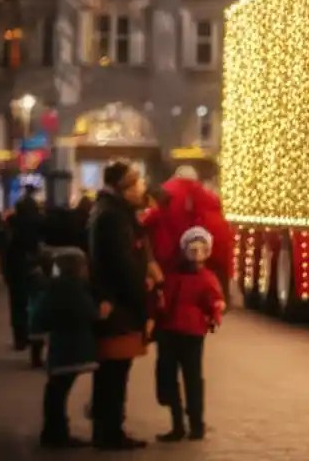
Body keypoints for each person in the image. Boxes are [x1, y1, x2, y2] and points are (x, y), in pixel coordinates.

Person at [88, 161, 150, 450]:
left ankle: (107, 426)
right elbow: (122, 265)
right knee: (114, 370)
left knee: (112, 370)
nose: (142, 188)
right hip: (119, 305)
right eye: (137, 184)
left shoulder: (111, 211)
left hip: (114, 302)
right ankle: (109, 430)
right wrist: (143, 295)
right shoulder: (114, 217)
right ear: (124, 188)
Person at [155, 226, 224, 442]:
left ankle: (194, 423)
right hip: (171, 331)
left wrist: (215, 313)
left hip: (190, 332)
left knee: (191, 379)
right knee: (171, 378)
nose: (196, 255)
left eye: (200, 250)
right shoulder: (174, 275)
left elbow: (214, 300)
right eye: (192, 250)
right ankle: (181, 423)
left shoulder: (206, 278)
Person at [32, 247, 101, 449]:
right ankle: (57, 433)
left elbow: (40, 318)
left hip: (59, 349)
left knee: (55, 390)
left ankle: (53, 430)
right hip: (73, 350)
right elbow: (89, 314)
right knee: (59, 391)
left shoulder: (52, 289)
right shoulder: (77, 290)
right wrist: (100, 313)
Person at [145, 167, 233, 304]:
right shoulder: (208, 197)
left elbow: (149, 222)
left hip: (165, 261)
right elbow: (220, 233)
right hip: (197, 261)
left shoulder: (163, 193)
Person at [6, 185, 45, 351]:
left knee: (17, 302)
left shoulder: (12, 225)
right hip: (33, 265)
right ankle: (34, 336)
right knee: (35, 301)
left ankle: (20, 338)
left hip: (15, 266)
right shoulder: (37, 224)